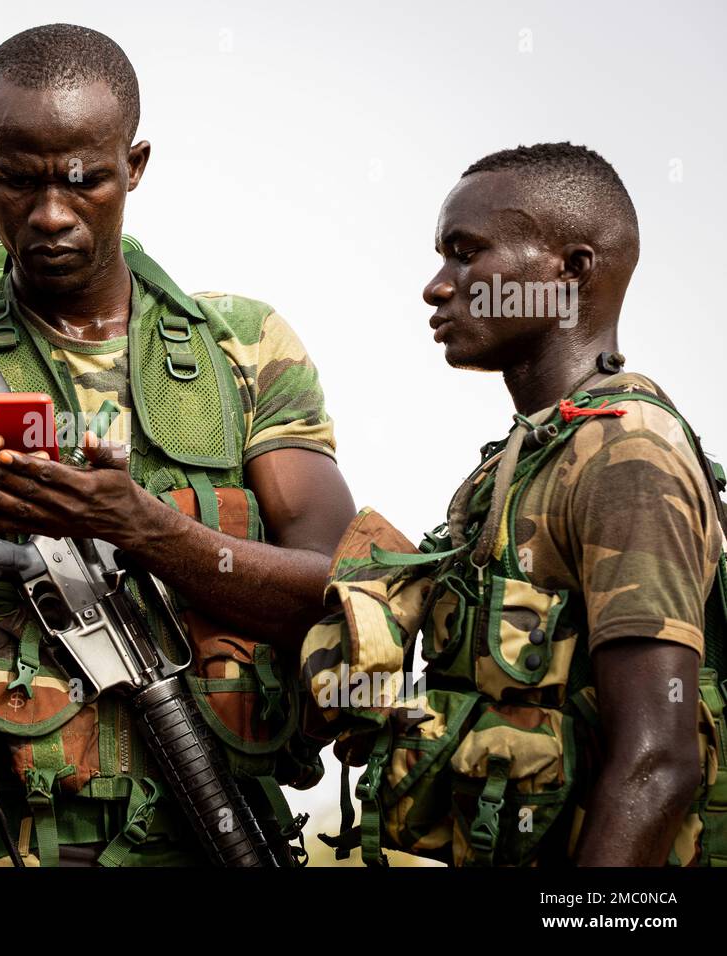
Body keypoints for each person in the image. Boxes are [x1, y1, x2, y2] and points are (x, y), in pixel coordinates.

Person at [0, 23, 356, 866]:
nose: (49, 215)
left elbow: (335, 589)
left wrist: (148, 530)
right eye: (16, 181)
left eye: (85, 181)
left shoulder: (243, 347)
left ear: (134, 166)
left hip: (215, 836)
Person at [301, 142, 727, 866]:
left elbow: (659, 759)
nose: (438, 286)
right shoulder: (522, 459)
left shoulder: (626, 456)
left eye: (467, 254)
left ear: (571, 270)